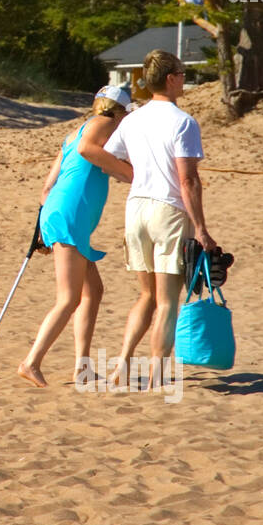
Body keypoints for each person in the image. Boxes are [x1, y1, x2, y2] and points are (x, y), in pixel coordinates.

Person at [104, 49, 218, 390]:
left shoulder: (133, 118)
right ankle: (155, 373)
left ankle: (122, 364)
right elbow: (188, 181)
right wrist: (201, 228)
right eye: (182, 73)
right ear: (170, 79)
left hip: (136, 207)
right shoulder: (183, 121)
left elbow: (109, 158)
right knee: (167, 299)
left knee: (145, 295)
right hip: (168, 210)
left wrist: (138, 177)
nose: (185, 79)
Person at [18, 86, 134, 389]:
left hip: (60, 212)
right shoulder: (105, 124)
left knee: (93, 291)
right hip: (70, 217)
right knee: (68, 298)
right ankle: (31, 362)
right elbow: (90, 154)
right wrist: (134, 175)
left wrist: (45, 225)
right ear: (119, 110)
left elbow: (47, 186)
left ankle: (82, 367)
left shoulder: (77, 130)